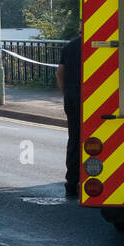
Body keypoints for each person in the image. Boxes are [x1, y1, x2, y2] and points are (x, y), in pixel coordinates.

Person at [55, 34, 82, 197]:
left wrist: (66, 92)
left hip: (72, 96)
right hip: (95, 97)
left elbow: (60, 73)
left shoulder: (71, 46)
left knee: (75, 139)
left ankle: (72, 183)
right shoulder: (99, 41)